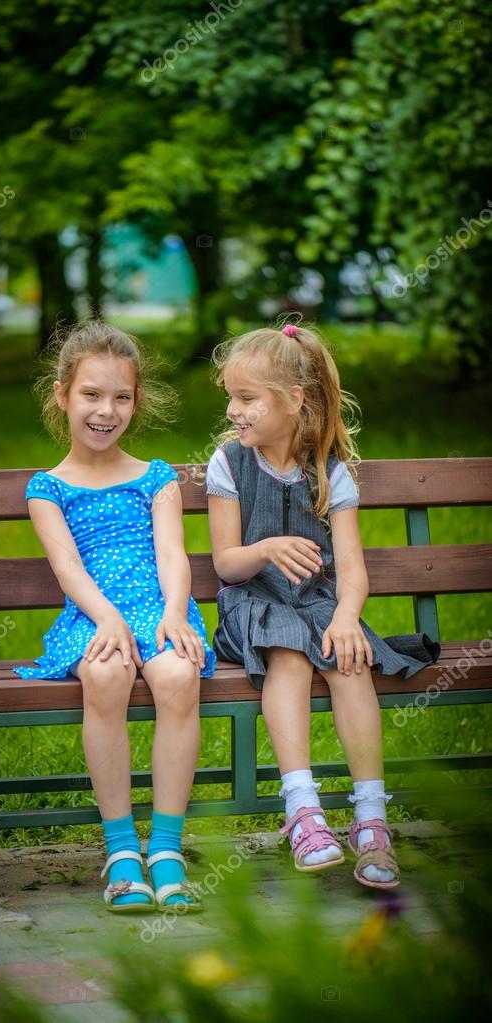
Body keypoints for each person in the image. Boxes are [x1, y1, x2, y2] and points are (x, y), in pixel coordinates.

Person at [206, 320, 440, 889]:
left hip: (318, 606)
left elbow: (353, 571)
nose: (234, 411)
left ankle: (370, 819)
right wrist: (262, 550)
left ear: (294, 400)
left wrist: (343, 618)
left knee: (349, 659)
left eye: (247, 399)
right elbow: (225, 565)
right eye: (231, 398)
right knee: (288, 656)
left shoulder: (330, 473)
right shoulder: (227, 464)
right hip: (252, 609)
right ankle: (304, 809)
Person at [14, 321, 216, 913]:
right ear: (62, 396)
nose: (107, 410)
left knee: (178, 676)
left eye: (121, 397)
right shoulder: (47, 488)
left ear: (136, 401)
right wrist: (106, 619)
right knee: (104, 676)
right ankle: (122, 849)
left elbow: (172, 555)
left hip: (160, 612)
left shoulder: (156, 477)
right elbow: (68, 568)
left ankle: (168, 849)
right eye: (91, 395)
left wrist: (176, 613)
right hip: (92, 615)